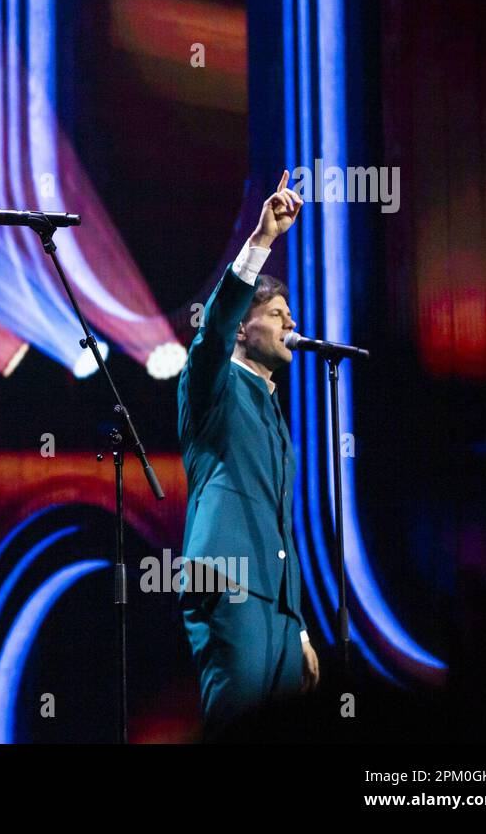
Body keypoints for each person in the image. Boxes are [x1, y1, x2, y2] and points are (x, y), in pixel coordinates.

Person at [177, 170, 320, 740]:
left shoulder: (272, 408)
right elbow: (211, 328)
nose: (291, 321)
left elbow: (279, 524)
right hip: (231, 582)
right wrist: (262, 240)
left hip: (279, 605)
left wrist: (301, 628)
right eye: (276, 313)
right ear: (242, 330)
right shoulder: (211, 382)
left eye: (291, 314)